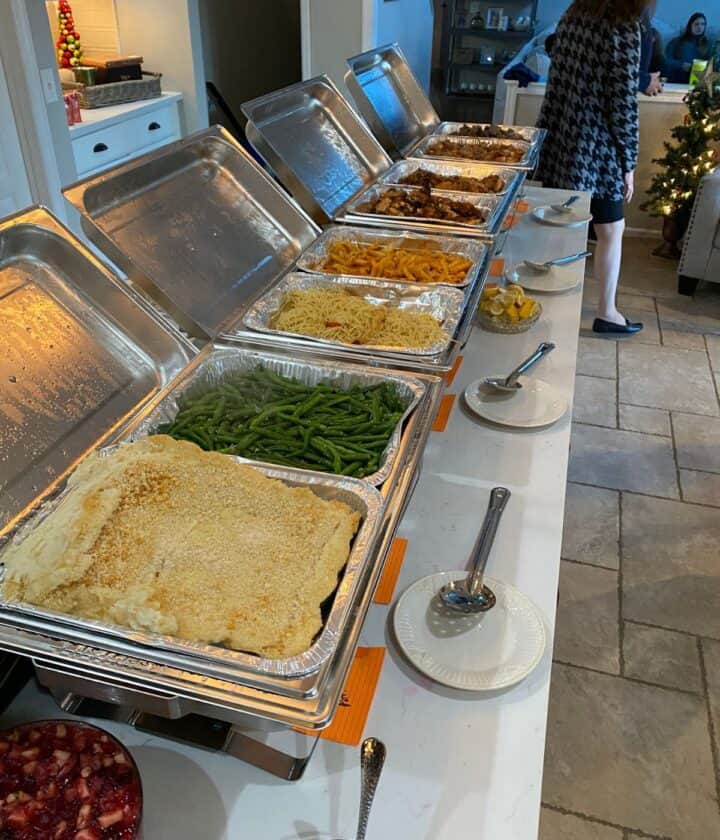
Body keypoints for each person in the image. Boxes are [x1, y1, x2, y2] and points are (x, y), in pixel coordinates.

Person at [536, 0, 647, 335]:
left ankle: (546, 307)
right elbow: (622, 101)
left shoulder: (574, 13)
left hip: (560, 137)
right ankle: (606, 313)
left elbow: (557, 71)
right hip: (597, 150)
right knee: (610, 230)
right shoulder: (623, 25)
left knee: (562, 228)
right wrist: (628, 161)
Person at [663, 13, 711, 83]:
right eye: (696, 24)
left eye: (703, 24)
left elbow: (710, 64)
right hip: (677, 77)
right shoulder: (677, 42)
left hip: (697, 80)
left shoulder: (707, 44)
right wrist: (681, 65)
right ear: (690, 25)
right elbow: (666, 60)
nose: (700, 27)